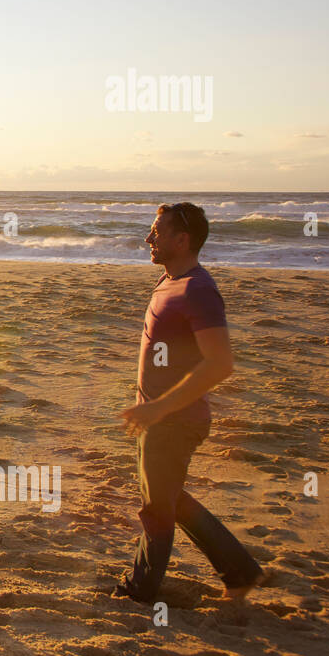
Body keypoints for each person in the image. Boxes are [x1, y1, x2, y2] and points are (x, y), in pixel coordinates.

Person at [116, 203, 265, 603]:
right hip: (160, 418)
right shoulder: (171, 280)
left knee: (156, 508)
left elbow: (221, 363)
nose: (149, 238)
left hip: (173, 421)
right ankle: (240, 570)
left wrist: (159, 407)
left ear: (182, 240)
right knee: (169, 498)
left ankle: (141, 590)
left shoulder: (198, 289)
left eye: (157, 231)